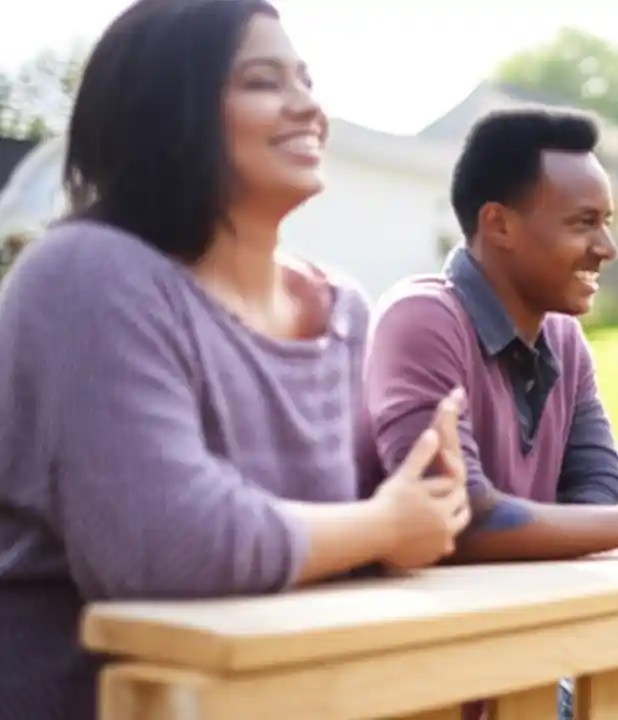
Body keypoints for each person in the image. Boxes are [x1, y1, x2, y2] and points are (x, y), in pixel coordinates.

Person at [0, 2, 470, 717]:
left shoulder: (342, 310)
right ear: (167, 109)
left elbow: (365, 533)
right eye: (262, 81)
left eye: (306, 79)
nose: (308, 105)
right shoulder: (84, 276)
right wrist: (383, 525)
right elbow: (166, 544)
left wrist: (425, 510)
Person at [362, 107, 618, 567]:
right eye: (583, 222)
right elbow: (452, 511)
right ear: (499, 225)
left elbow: (603, 487)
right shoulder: (421, 318)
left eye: (607, 222)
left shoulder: (564, 337)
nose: (607, 249)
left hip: (536, 618)